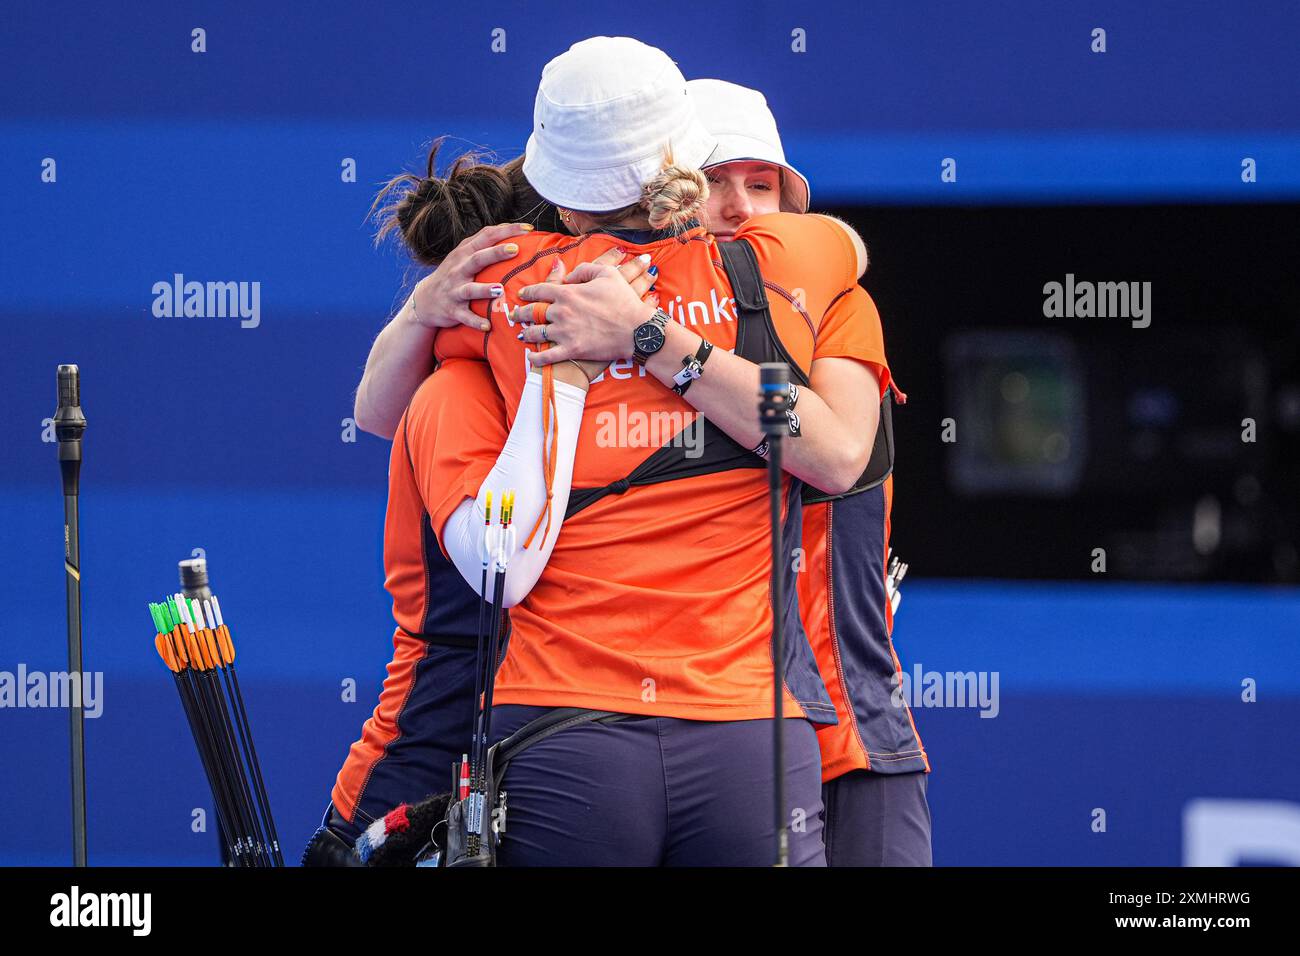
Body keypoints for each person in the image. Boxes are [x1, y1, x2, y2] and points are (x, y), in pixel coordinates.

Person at [412, 36, 884, 866]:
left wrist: (421, 306)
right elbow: (843, 268)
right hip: (749, 743)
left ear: (558, 185)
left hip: (562, 735)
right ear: (688, 165)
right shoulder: (783, 267)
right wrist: (681, 347)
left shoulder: (505, 284)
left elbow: (381, 401)